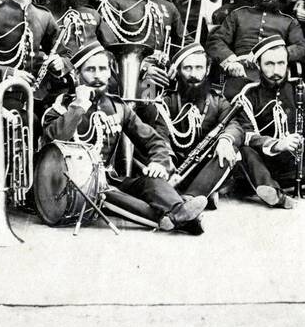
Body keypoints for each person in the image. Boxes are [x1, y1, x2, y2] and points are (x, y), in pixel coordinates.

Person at [42, 40, 208, 233]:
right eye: (90, 70)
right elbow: (53, 141)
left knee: (150, 181)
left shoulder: (118, 107)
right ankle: (184, 218)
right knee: (105, 194)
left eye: (103, 69)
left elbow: (153, 140)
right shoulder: (60, 108)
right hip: (75, 186)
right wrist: (79, 106)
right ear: (77, 75)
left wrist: (159, 163)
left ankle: (176, 213)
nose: (98, 76)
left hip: (111, 178)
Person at [221, 36, 305, 208]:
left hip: (295, 163)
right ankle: (270, 188)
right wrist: (277, 144)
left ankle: (264, 187)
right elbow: (248, 135)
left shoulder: (301, 89)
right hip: (264, 162)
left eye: (281, 63)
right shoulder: (247, 94)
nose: (276, 70)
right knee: (245, 152)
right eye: (269, 64)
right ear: (258, 65)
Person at [135, 43, 240, 203]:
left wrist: (225, 140)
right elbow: (155, 126)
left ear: (207, 70)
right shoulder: (166, 101)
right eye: (187, 68)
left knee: (229, 151)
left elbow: (234, 125)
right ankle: (203, 193)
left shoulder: (217, 101)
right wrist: (147, 82)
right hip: (172, 165)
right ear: (177, 71)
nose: (194, 74)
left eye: (199, 68)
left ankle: (189, 198)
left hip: (203, 167)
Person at [206, 0, 305, 98]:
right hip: (239, 76)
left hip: (275, 77)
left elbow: (302, 48)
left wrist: (276, 54)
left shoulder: (289, 21)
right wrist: (231, 61)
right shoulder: (238, 15)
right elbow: (216, 41)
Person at [96, 0, 182, 83]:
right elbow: (108, 49)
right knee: (147, 97)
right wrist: (143, 67)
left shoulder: (168, 6)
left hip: (163, 77)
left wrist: (178, 63)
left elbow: (184, 42)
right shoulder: (114, 5)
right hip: (126, 78)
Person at [39, 0, 100, 104]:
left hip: (98, 84)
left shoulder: (92, 14)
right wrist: (59, 63)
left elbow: (111, 50)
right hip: (59, 90)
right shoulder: (41, 15)